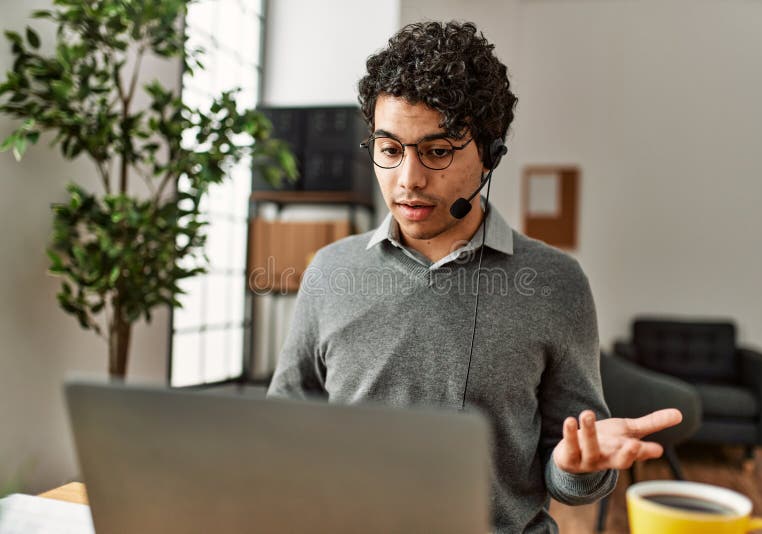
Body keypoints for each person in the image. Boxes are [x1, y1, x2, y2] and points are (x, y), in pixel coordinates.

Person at [267, 20, 681, 533]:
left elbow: (573, 460)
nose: (409, 180)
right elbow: (285, 424)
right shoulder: (330, 271)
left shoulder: (556, 283)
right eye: (390, 149)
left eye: (437, 151)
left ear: (490, 154)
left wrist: (577, 469)